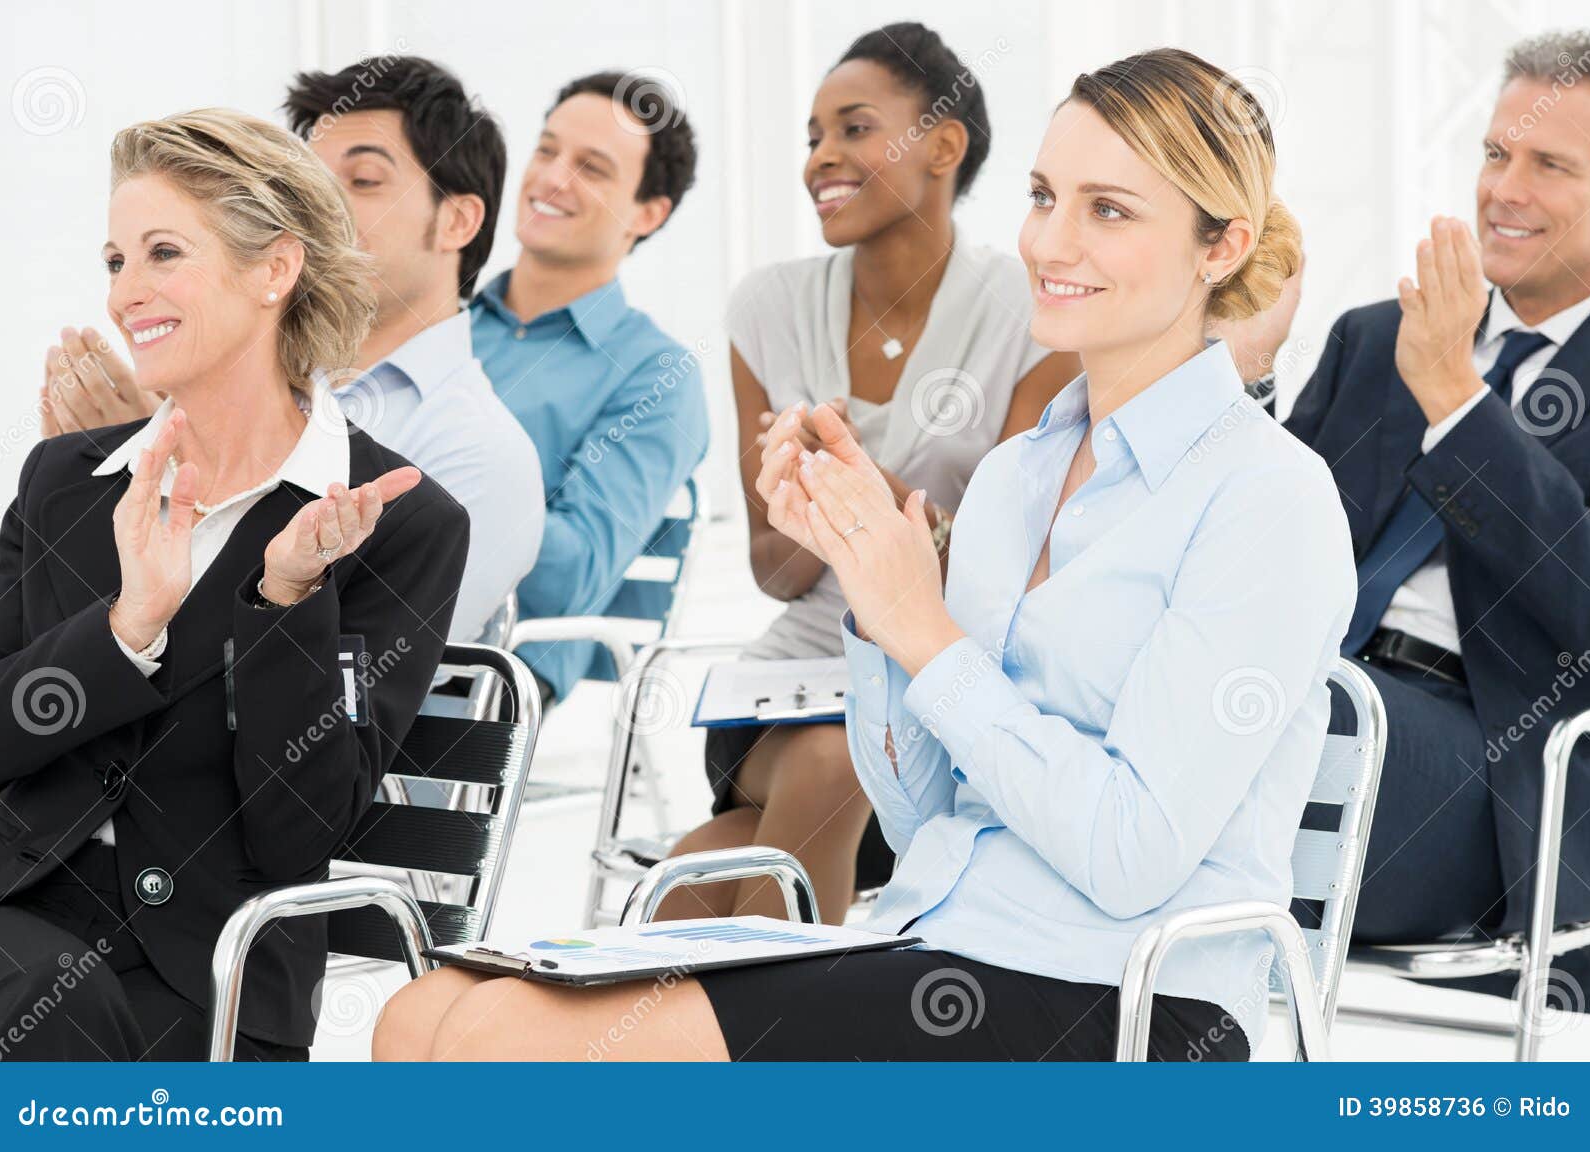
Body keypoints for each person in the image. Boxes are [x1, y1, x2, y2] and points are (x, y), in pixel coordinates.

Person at [371, 47, 1353, 1062]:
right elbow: (920, 806)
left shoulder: (1265, 498)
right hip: (934, 941)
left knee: (505, 1045)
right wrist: (871, 583)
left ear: (1220, 247)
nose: (1049, 240)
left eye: (1108, 209)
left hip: (1125, 1003)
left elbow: (1127, 852)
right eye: (1043, 195)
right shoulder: (1019, 474)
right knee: (427, 1012)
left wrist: (924, 632)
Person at [0, 109, 469, 1061]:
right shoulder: (65, 483)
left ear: (273, 270)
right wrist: (125, 630)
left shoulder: (399, 525)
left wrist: (284, 602)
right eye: (116, 261)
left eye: (163, 253)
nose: (129, 293)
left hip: (204, 977)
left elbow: (302, 831)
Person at [659, 22, 1076, 926]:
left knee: (722, 855)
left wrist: (863, 486)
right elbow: (775, 573)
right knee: (818, 762)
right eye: (812, 136)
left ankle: (652, 1047)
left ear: (943, 144)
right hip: (790, 683)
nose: (821, 158)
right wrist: (807, 499)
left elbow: (1004, 568)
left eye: (853, 128)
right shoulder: (768, 307)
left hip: (943, 689)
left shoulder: (1030, 312)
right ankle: (769, 1045)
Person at [1219, 29, 1590, 1008]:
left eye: (1548, 165)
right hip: (1304, 690)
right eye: (1494, 153)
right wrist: (1247, 378)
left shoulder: (1430, 357)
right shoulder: (1376, 338)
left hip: (1486, 764)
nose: (1503, 189)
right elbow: (1246, 552)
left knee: (1277, 734)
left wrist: (1460, 408)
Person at [41, 57, 541, 646]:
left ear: (457, 220)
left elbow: (367, 674)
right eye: (308, 179)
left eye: (363, 181)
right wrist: (134, 462)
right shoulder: (221, 386)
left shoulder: (480, 454)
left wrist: (142, 465)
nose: (320, 204)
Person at [470, 71, 708, 704]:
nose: (551, 178)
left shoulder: (658, 377)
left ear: (647, 213)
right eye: (547, 150)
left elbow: (569, 579)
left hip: (486, 669)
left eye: (592, 168)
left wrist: (433, 464)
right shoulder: (442, 324)